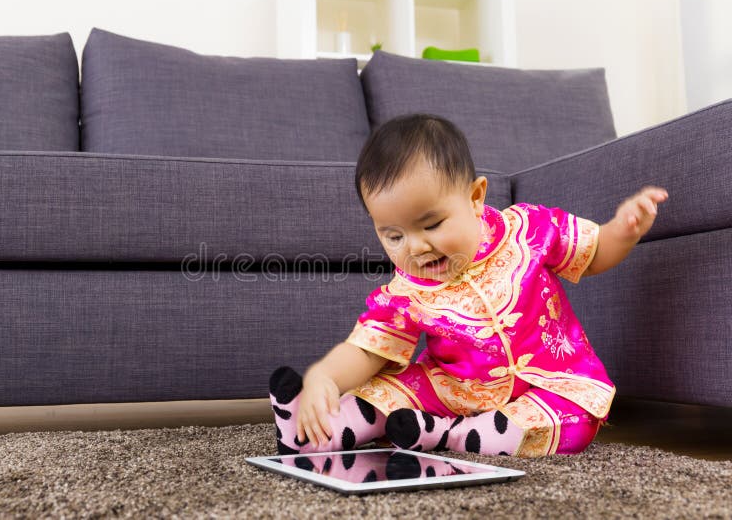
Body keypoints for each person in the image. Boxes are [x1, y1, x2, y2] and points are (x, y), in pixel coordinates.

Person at [269, 114, 668, 457]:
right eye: (394, 236)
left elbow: (594, 253)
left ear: (476, 198)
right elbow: (367, 350)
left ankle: (446, 436)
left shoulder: (528, 229)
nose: (417, 247)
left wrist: (622, 231)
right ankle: (311, 432)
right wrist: (325, 377)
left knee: (578, 421)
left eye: (432, 225)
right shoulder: (407, 291)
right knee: (382, 392)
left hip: (550, 382)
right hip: (452, 390)